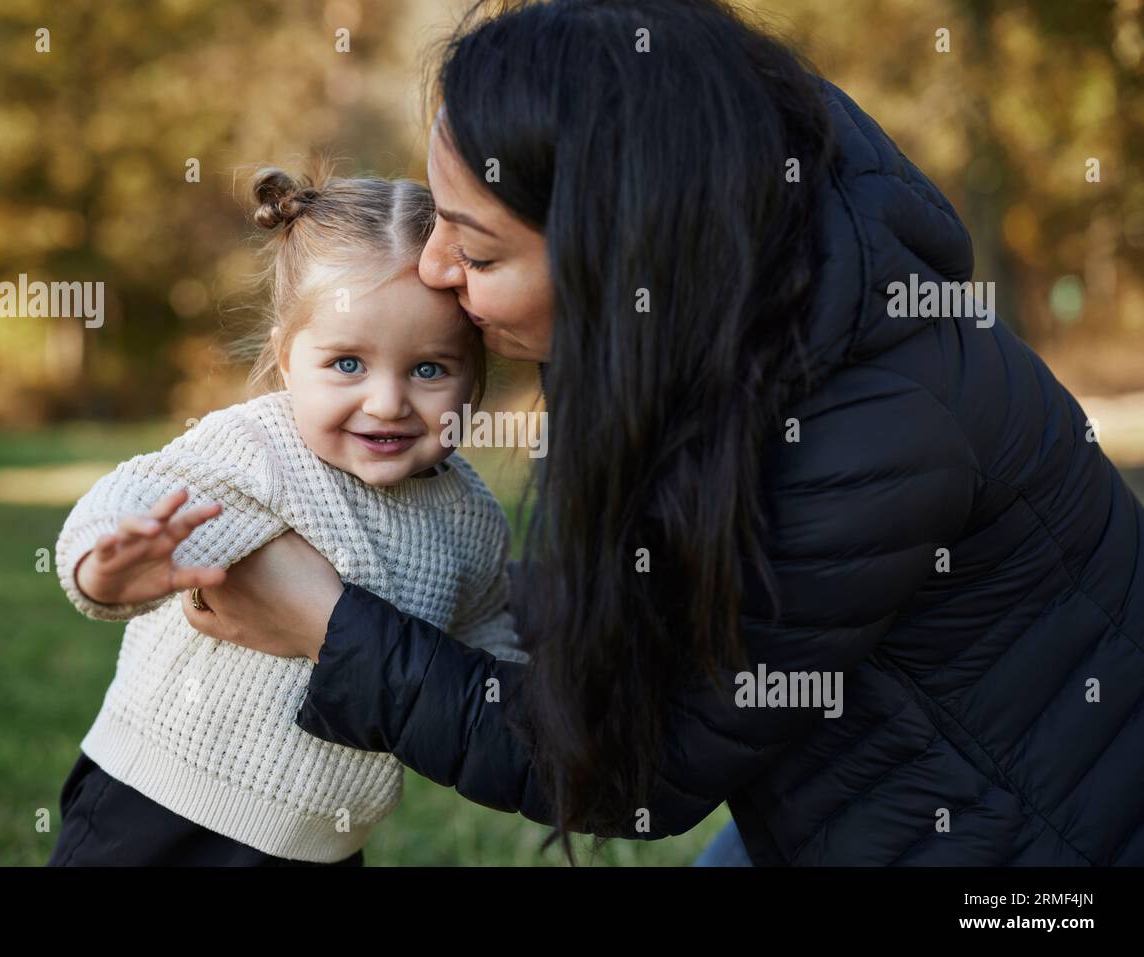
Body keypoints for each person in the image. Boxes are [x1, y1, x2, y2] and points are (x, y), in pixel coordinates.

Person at [183, 0, 1144, 866]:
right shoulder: (731, 297)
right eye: (440, 220)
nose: (435, 269)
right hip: (872, 799)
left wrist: (332, 628)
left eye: (477, 248)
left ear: (621, 250)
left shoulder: (859, 444)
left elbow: (637, 764)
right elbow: (638, 606)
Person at [46, 164, 525, 866]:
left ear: (474, 377)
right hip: (156, 799)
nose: (387, 401)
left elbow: (485, 639)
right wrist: (107, 565)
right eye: (347, 364)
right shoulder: (260, 447)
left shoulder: (470, 517)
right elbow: (132, 493)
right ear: (286, 358)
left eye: (428, 369)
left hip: (320, 838)